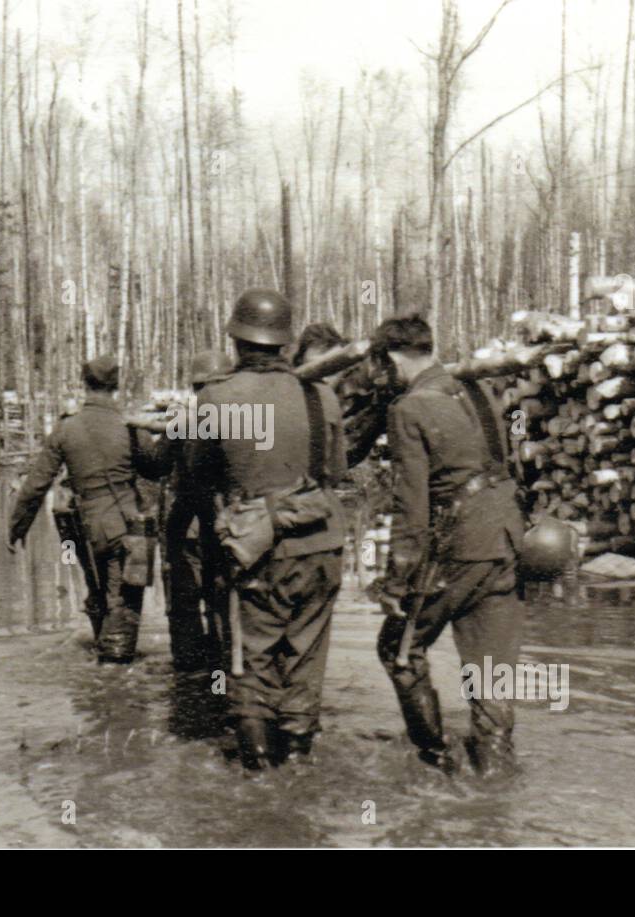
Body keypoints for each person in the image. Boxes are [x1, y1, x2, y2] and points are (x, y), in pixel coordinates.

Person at [186, 288, 347, 770]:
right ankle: (297, 764)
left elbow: (196, 478)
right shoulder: (322, 397)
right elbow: (336, 473)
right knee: (305, 661)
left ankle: (259, 783)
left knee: (251, 663)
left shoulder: (216, 398)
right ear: (283, 343)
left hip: (256, 549)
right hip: (321, 544)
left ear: (237, 342)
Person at [368, 315, 525, 777]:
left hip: (457, 545)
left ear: (393, 358)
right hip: (507, 540)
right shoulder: (479, 392)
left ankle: (436, 758)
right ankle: (495, 776)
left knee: (398, 648)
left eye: (384, 364)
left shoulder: (408, 409)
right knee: (491, 672)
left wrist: (397, 583)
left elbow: (411, 507)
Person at [7, 355, 168, 663]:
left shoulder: (66, 429)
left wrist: (17, 528)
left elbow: (36, 485)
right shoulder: (131, 426)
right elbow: (156, 469)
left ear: (85, 384)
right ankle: (114, 681)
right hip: (129, 527)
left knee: (99, 595)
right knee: (124, 604)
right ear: (116, 385)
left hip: (87, 529)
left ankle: (101, 673)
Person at [156, 350, 231, 673]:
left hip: (190, 530)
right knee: (223, 601)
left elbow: (156, 464)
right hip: (227, 531)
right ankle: (221, 666)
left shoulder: (186, 422)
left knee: (185, 605)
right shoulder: (242, 422)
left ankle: (191, 674)